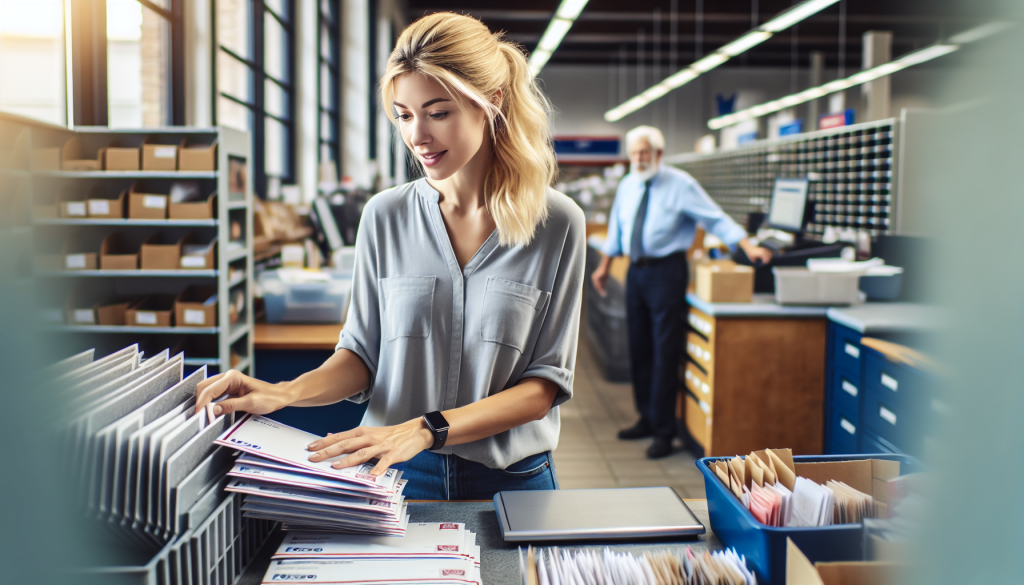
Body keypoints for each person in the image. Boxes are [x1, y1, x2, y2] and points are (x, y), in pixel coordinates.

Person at [194, 13, 586, 500]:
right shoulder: (384, 215)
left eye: (438, 112)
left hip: (511, 479)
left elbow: (543, 386)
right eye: (403, 115)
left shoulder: (557, 223)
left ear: (492, 102)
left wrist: (426, 428)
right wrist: (283, 393)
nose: (417, 135)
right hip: (395, 472)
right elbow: (361, 355)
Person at [591, 126, 772, 459]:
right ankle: (646, 416)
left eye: (645, 152)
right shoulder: (628, 184)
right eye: (635, 153)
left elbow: (714, 218)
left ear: (659, 154)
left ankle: (664, 430)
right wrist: (604, 267)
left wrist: (748, 246)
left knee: (664, 351)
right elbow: (617, 229)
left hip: (666, 273)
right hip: (636, 272)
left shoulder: (681, 184)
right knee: (639, 347)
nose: (639, 159)